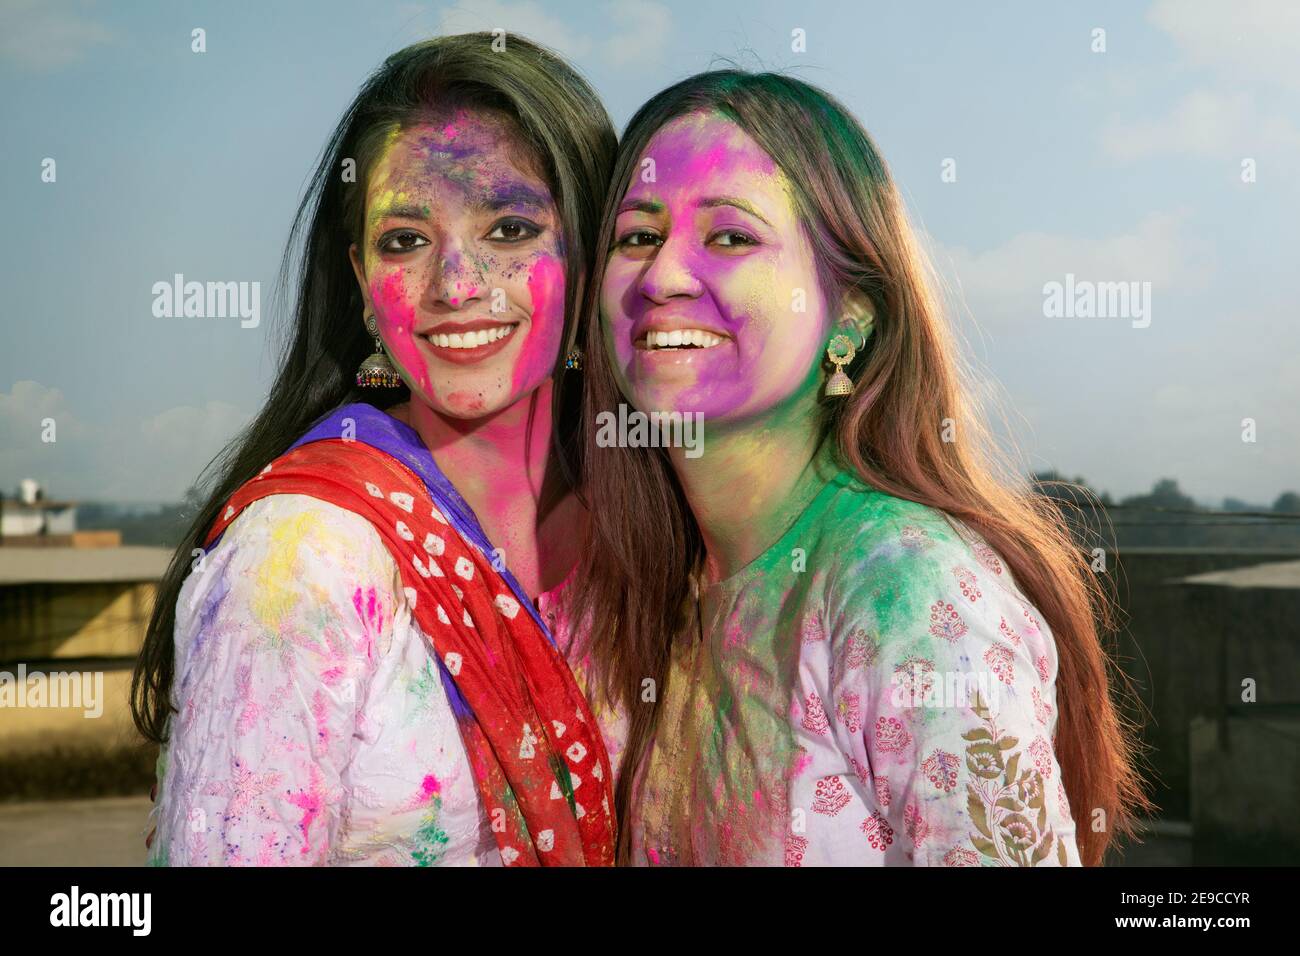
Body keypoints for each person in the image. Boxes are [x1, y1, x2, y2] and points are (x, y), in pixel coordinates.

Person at [560, 70, 1149, 866]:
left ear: (851, 314)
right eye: (637, 236)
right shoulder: (663, 590)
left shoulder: (908, 592)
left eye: (731, 237)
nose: (663, 277)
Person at [131, 33, 618, 866]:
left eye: (509, 228)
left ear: (593, 257)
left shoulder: (644, 536)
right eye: (405, 241)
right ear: (362, 283)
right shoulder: (299, 559)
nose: (457, 285)